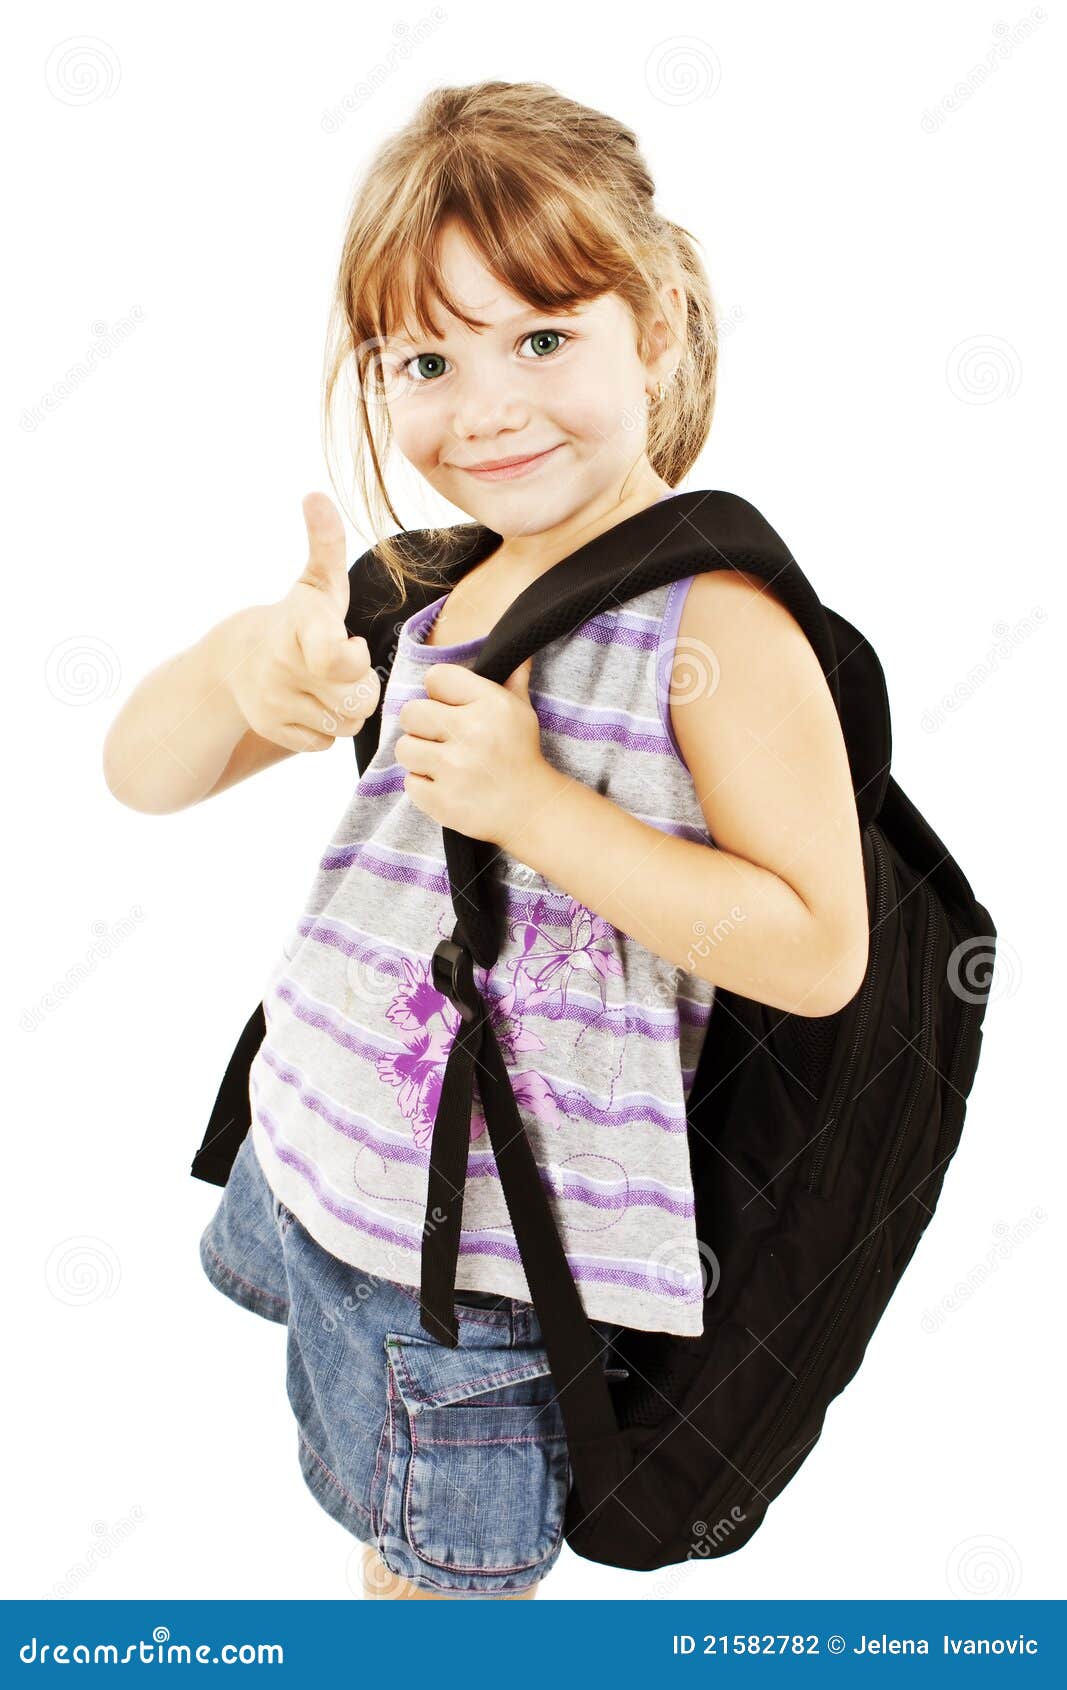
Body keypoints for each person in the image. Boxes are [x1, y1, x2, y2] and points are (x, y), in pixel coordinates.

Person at [102, 80, 868, 1599]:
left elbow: (818, 949)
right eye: (424, 359)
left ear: (653, 326)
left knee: (437, 1609)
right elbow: (141, 772)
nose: (488, 404)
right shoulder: (425, 589)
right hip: (331, 1160)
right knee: (377, 1545)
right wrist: (248, 661)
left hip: (499, 1273)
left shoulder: (715, 625)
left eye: (542, 337)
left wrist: (538, 807)